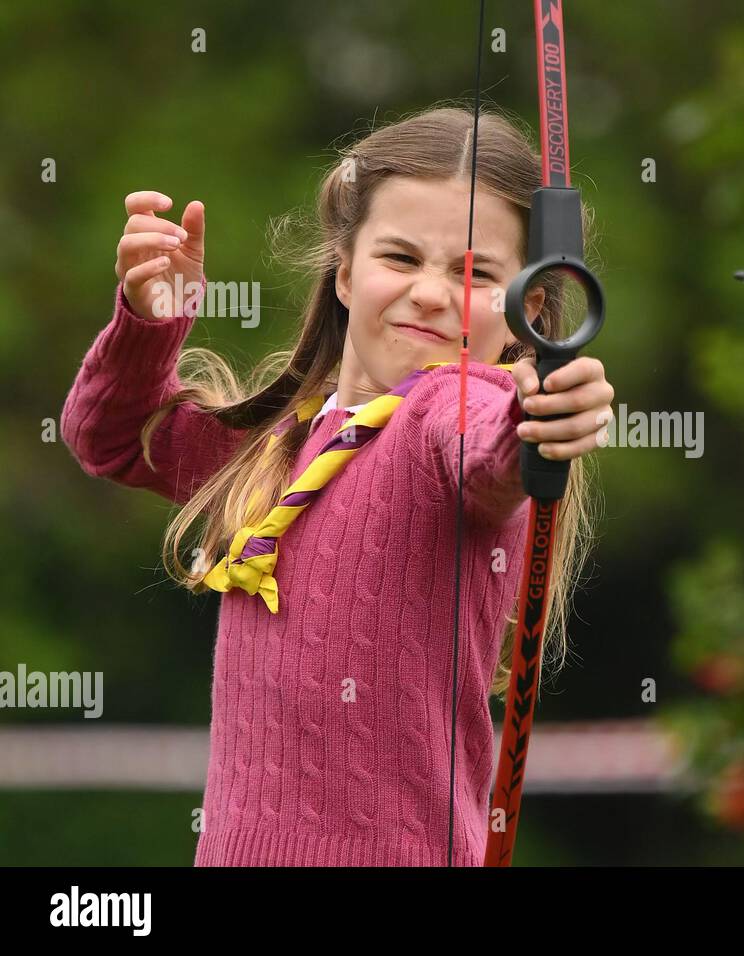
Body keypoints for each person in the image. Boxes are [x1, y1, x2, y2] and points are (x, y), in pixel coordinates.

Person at [59, 106, 615, 866]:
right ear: (345, 272)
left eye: (475, 272)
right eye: (401, 257)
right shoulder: (272, 446)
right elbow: (111, 436)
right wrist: (152, 320)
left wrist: (538, 413)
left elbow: (488, 451)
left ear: (529, 313)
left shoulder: (447, 411)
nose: (429, 292)